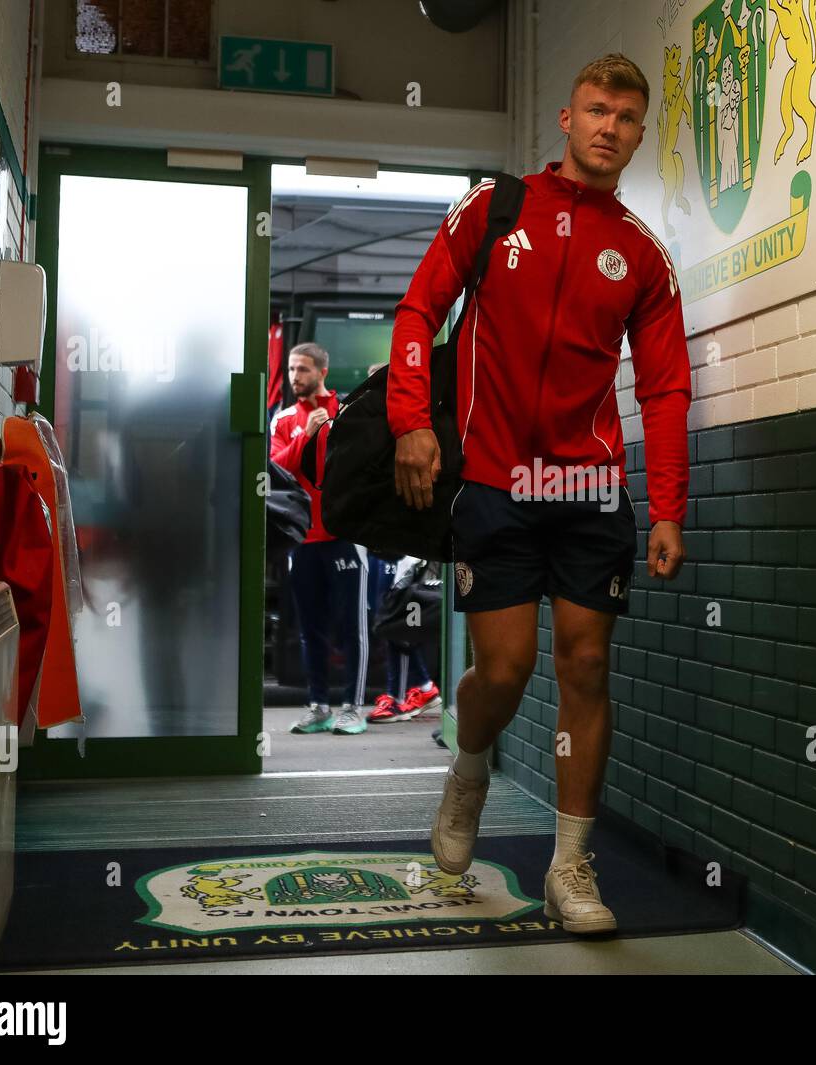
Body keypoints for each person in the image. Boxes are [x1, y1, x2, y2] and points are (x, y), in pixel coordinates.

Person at [387, 54, 691, 934]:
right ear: (566, 117)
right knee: (508, 667)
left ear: (638, 134)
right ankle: (468, 771)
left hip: (591, 489)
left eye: (627, 118)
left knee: (587, 666)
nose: (610, 127)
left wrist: (666, 504)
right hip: (494, 481)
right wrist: (413, 419)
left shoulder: (640, 255)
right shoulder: (495, 209)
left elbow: (665, 388)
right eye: (598, 110)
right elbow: (419, 310)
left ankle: (571, 865)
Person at [270, 342, 372, 736]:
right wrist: (306, 435)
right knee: (310, 627)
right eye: (292, 369)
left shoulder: (345, 412)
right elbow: (277, 470)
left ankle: (353, 707)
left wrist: (324, 428)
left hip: (344, 536)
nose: (296, 376)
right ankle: (318, 705)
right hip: (303, 539)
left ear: (322, 373)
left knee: (351, 625)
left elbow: (361, 464)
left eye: (304, 370)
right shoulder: (282, 420)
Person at [364, 551, 443, 723]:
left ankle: (396, 699)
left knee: (396, 617)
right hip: (378, 543)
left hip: (402, 547)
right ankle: (425, 688)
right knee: (385, 617)